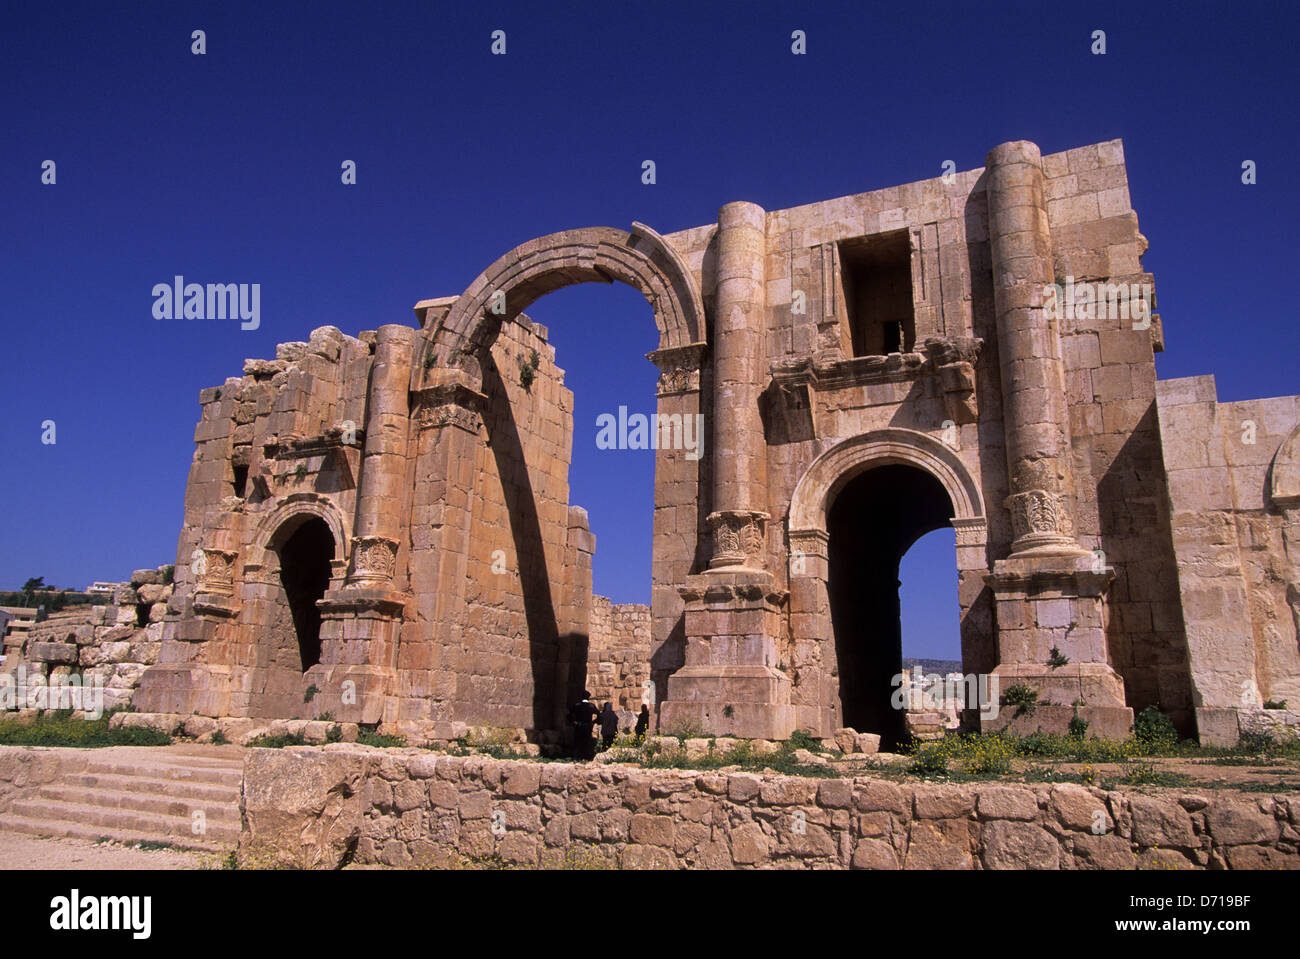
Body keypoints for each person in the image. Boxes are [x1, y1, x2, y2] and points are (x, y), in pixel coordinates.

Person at [569, 690, 599, 760]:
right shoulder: (591, 706)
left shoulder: (576, 705)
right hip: (587, 726)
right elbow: (599, 716)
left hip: (578, 726)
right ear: (588, 697)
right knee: (587, 741)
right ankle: (586, 757)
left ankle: (576, 757)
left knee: (577, 742)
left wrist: (573, 722)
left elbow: (569, 715)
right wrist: (593, 722)